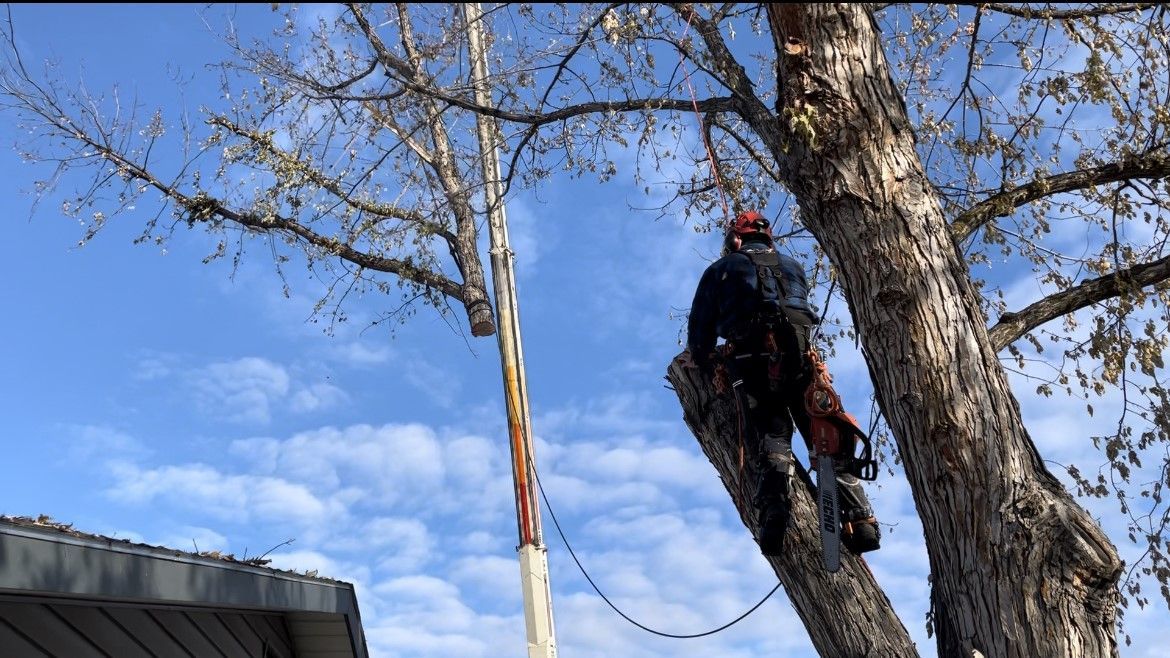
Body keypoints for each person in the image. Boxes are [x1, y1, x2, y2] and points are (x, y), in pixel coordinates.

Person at [687, 210, 880, 557]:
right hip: (800, 361)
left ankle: (775, 515)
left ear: (735, 239)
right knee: (825, 436)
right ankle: (861, 519)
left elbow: (700, 329)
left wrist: (703, 358)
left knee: (773, 437)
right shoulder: (793, 267)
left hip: (752, 363)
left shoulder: (721, 270)